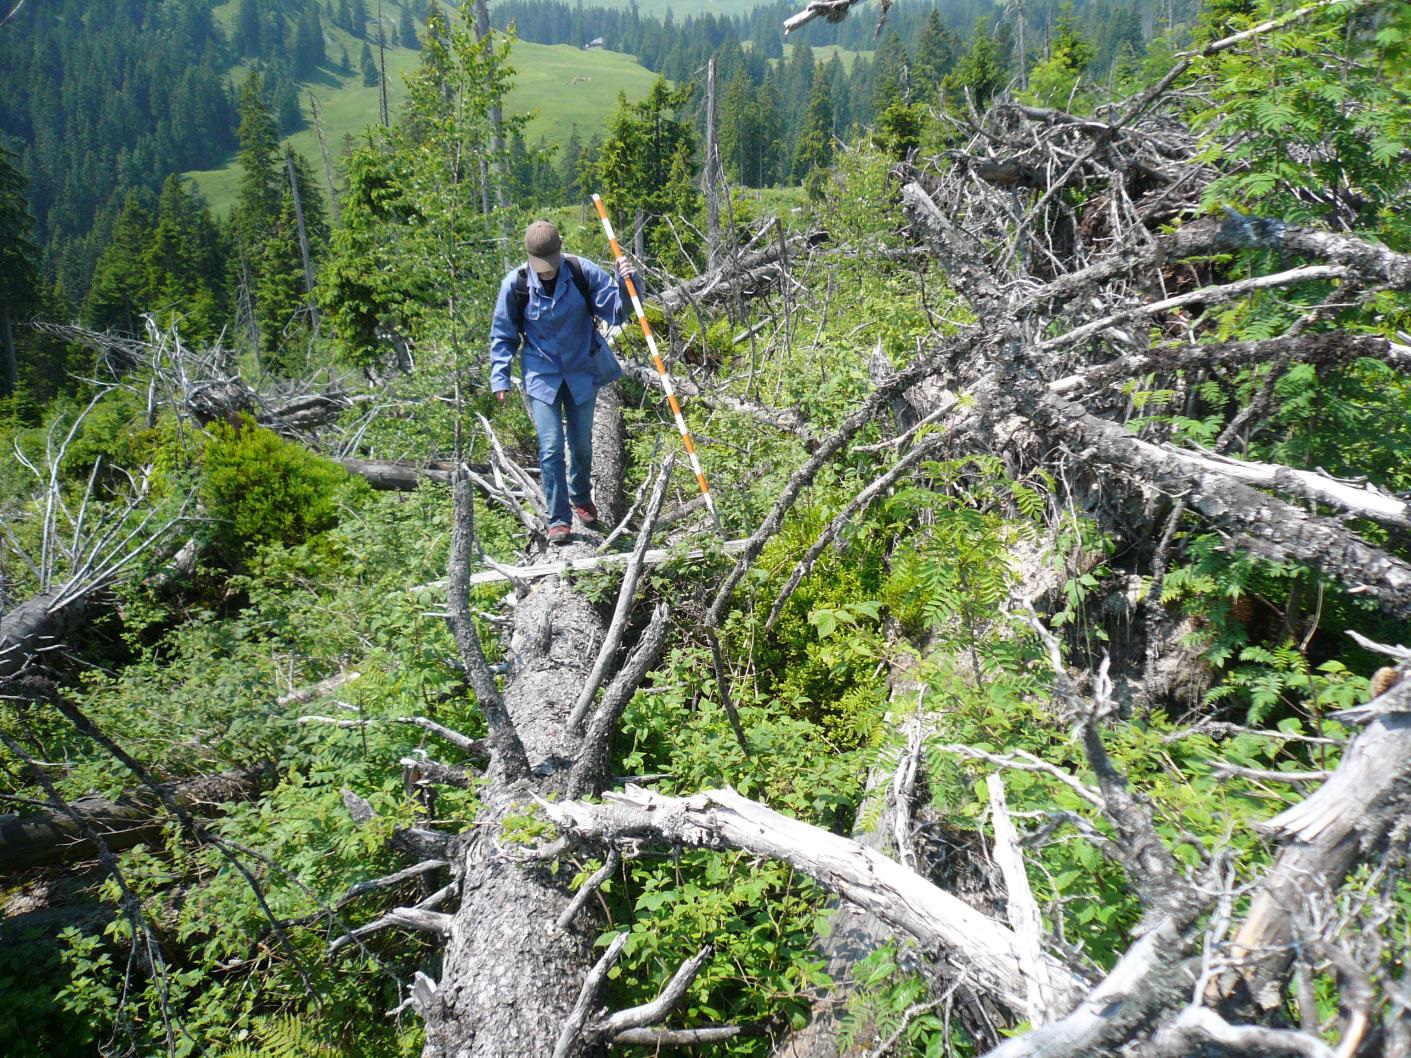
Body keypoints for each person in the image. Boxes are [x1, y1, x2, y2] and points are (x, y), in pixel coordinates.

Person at [490, 220, 635, 546]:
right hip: (541, 376)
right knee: (552, 447)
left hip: (583, 370)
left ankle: (581, 496)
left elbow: (617, 312)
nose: (546, 272)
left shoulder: (582, 273)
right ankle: (558, 520)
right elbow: (503, 335)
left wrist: (627, 283)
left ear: (559, 252)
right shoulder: (516, 284)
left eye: (550, 265)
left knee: (581, 445)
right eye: (539, 266)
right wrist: (500, 376)